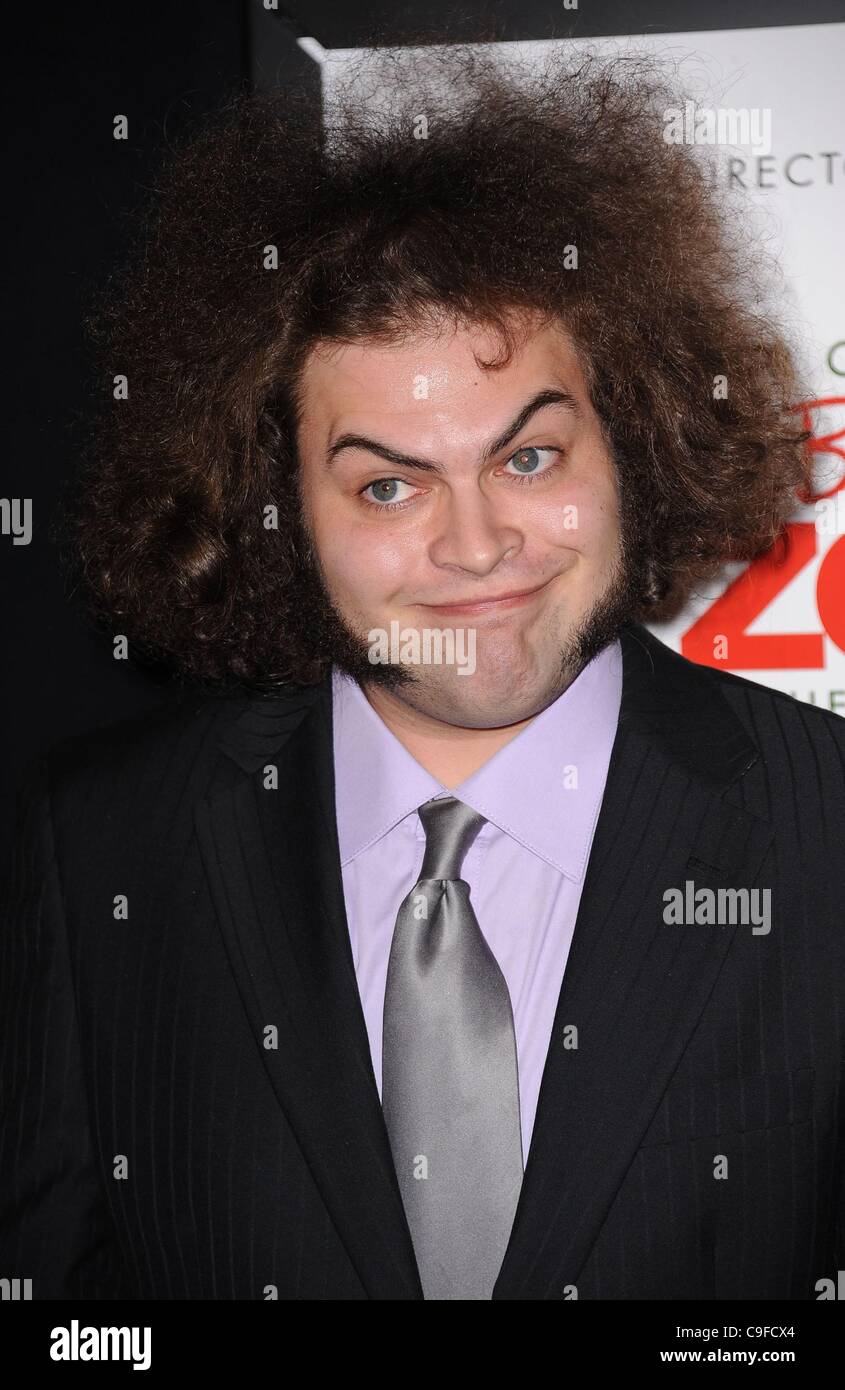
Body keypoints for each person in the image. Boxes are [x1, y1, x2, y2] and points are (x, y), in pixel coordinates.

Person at [1, 43, 843, 1301]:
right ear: (270, 507)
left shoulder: (823, 826)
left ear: (637, 448)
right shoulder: (101, 851)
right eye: (387, 483)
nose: (474, 544)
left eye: (530, 459)